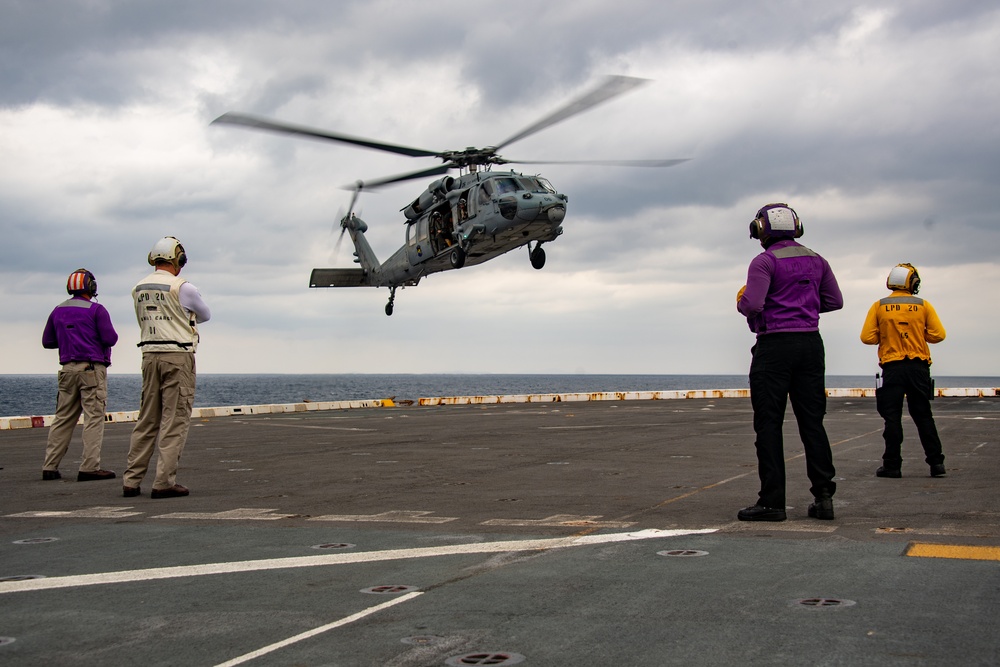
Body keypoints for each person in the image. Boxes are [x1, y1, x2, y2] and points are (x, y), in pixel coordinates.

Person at [736, 203, 844, 521]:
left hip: (774, 347)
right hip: (810, 344)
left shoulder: (764, 261)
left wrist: (743, 302)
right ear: (797, 227)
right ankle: (824, 498)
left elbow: (752, 304)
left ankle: (772, 503)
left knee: (769, 424)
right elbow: (834, 301)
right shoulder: (818, 260)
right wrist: (802, 305)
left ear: (760, 229)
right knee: (812, 423)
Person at [123, 237, 211, 499]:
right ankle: (163, 482)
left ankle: (131, 480)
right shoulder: (183, 287)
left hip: (149, 355)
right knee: (174, 421)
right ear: (178, 259)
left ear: (153, 259)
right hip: (178, 355)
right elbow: (205, 315)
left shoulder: (138, 287)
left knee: (147, 420)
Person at [860, 263, 947, 478]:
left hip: (893, 367)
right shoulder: (923, 305)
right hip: (918, 368)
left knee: (892, 418)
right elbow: (939, 335)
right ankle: (936, 463)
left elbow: (867, 337)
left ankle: (892, 465)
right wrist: (918, 333)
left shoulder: (879, 306)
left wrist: (887, 335)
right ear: (913, 283)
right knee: (924, 416)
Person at [41, 269, 119, 481]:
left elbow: (47, 341)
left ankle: (50, 466)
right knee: (93, 418)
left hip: (67, 369)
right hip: (91, 369)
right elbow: (110, 338)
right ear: (91, 287)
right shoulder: (97, 310)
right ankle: (89, 467)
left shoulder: (57, 310)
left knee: (63, 418)